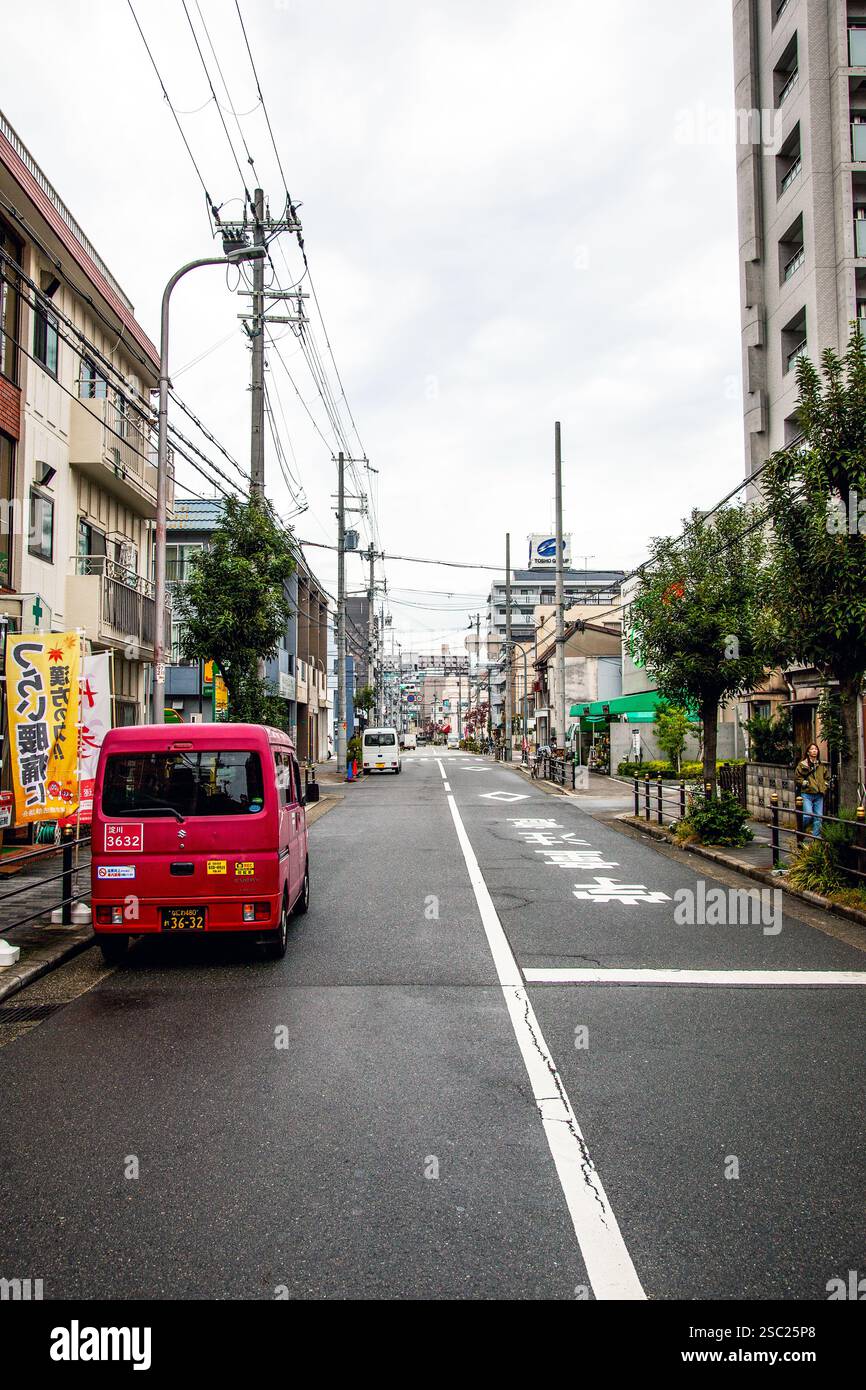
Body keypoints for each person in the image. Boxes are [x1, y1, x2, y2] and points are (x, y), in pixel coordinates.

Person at [795, 742, 828, 838]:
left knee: (819, 818)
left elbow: (826, 777)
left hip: (819, 793)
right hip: (807, 793)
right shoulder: (802, 765)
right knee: (808, 815)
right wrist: (804, 783)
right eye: (812, 749)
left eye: (816, 749)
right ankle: (801, 829)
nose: (814, 751)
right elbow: (797, 778)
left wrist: (825, 784)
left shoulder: (821, 765)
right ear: (808, 752)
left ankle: (816, 839)